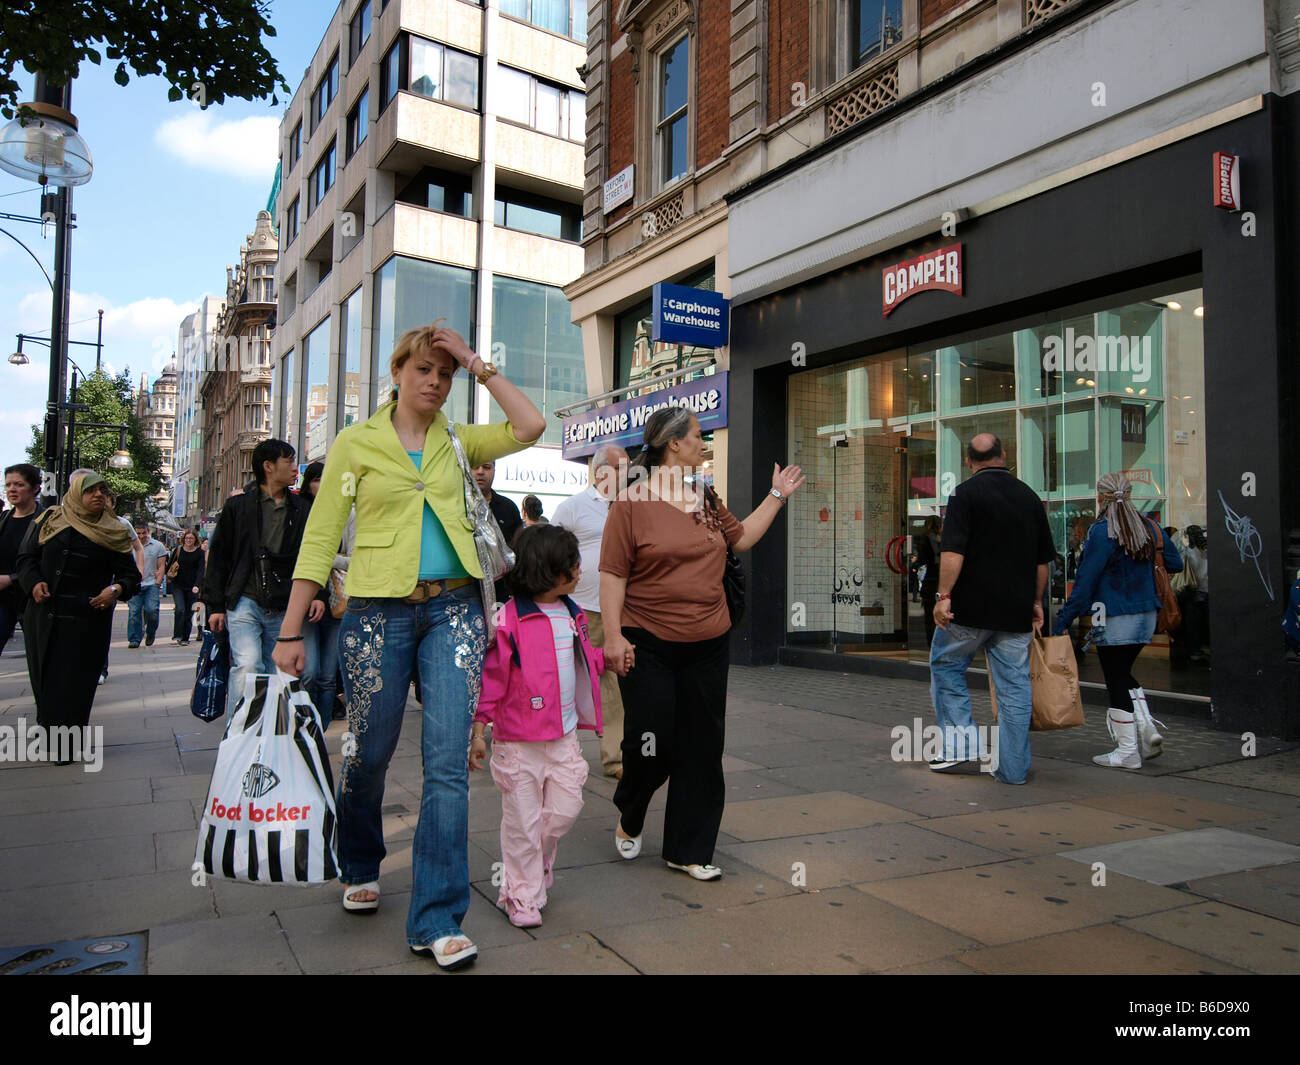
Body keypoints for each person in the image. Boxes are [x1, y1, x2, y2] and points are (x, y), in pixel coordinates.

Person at [272, 321, 545, 970]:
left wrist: (479, 362)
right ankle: (360, 857)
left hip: (454, 611)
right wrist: (289, 630)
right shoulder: (356, 444)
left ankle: (437, 917)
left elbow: (531, 425)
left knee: (448, 763)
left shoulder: (459, 438)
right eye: (425, 369)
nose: (435, 381)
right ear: (397, 372)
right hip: (374, 614)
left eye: (445, 373)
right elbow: (320, 536)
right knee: (367, 754)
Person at [600, 407, 804, 880]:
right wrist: (612, 637)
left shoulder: (705, 496)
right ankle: (631, 811)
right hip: (647, 641)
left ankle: (688, 850)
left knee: (702, 747)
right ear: (673, 444)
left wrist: (777, 495)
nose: (703, 443)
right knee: (652, 744)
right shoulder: (630, 503)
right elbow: (612, 574)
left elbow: (743, 539)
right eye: (697, 436)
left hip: (709, 641)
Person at [469, 524, 606, 928]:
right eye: (573, 565)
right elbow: (491, 680)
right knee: (522, 824)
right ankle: (521, 894)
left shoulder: (572, 613)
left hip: (563, 739)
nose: (580, 571)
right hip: (518, 744)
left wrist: (609, 660)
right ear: (549, 571)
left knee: (564, 810)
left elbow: (583, 661)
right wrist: (479, 731)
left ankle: (533, 864)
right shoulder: (509, 620)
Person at [928, 434, 1056, 785]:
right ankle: (1013, 770)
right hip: (1014, 612)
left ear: (969, 462)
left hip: (968, 610)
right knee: (1014, 686)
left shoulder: (964, 495)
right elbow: (1043, 561)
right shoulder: (1030, 497)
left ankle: (961, 746)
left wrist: (943, 596)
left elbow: (953, 552)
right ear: (1004, 456)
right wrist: (1035, 600)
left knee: (947, 667)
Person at [1052, 473, 1184, 769]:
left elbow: (1086, 580)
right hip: (1147, 614)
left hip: (1113, 614)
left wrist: (1064, 619)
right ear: (1130, 494)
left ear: (1100, 497)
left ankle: (1127, 751)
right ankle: (1145, 728)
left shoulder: (1102, 532)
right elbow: (1174, 563)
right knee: (1124, 673)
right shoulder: (1150, 526)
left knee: (1115, 678)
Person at [16, 472, 140, 755]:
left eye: (102, 490)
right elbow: (26, 559)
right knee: (44, 678)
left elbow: (130, 575)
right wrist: (34, 582)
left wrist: (116, 590)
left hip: (86, 619)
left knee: (75, 682)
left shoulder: (114, 530)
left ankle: (66, 746)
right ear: (75, 493)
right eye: (90, 490)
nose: (98, 495)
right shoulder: (49, 520)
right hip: (44, 614)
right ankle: (48, 733)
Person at [202, 438, 324, 717]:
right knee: (247, 666)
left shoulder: (302, 507)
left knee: (279, 671)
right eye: (289, 461)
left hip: (284, 602)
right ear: (268, 466)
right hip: (245, 598)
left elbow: (313, 554)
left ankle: (271, 736)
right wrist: (215, 605)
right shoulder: (238, 507)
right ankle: (240, 733)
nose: (296, 468)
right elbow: (219, 556)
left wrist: (318, 595)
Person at [553, 444, 629, 778]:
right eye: (621, 468)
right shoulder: (573, 508)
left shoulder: (633, 504)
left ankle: (619, 756)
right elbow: (551, 553)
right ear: (601, 471)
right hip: (584, 610)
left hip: (627, 609)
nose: (628, 473)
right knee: (577, 680)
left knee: (616, 683)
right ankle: (549, 745)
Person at [0, 463, 42, 657]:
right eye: (8, 485)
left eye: (19, 484)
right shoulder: (4, 519)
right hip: (3, 599)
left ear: (34, 488)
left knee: (40, 655)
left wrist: (12, 578)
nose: (12, 490)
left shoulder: (46, 520)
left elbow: (48, 563)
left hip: (32, 598)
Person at [473, 459, 523, 600]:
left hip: (502, 591)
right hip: (465, 592)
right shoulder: (456, 506)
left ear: (494, 470)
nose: (480, 472)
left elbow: (519, 551)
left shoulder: (508, 507)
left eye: (487, 467)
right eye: (475, 467)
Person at [126, 521, 170, 648]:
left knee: (152, 611)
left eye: (143, 533)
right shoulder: (129, 546)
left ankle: (151, 632)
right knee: (134, 612)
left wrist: (158, 581)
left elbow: (161, 565)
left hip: (151, 583)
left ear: (148, 532)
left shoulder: (157, 546)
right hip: (135, 584)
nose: (140, 536)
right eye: (138, 533)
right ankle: (134, 638)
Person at [169, 530, 206, 645]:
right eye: (187, 538)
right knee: (180, 609)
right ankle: (178, 635)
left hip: (192, 586)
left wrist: (197, 585)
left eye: (191, 538)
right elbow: (170, 564)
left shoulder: (200, 552)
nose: (188, 540)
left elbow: (201, 570)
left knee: (189, 612)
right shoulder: (178, 550)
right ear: (183, 539)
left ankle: (185, 637)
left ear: (195, 540)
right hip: (178, 585)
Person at [1183, 524, 1210, 662]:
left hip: (1193, 589)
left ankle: (1195, 649)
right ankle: (1208, 645)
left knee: (1193, 622)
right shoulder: (1208, 551)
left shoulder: (1187, 551)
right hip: (1207, 589)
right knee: (1208, 619)